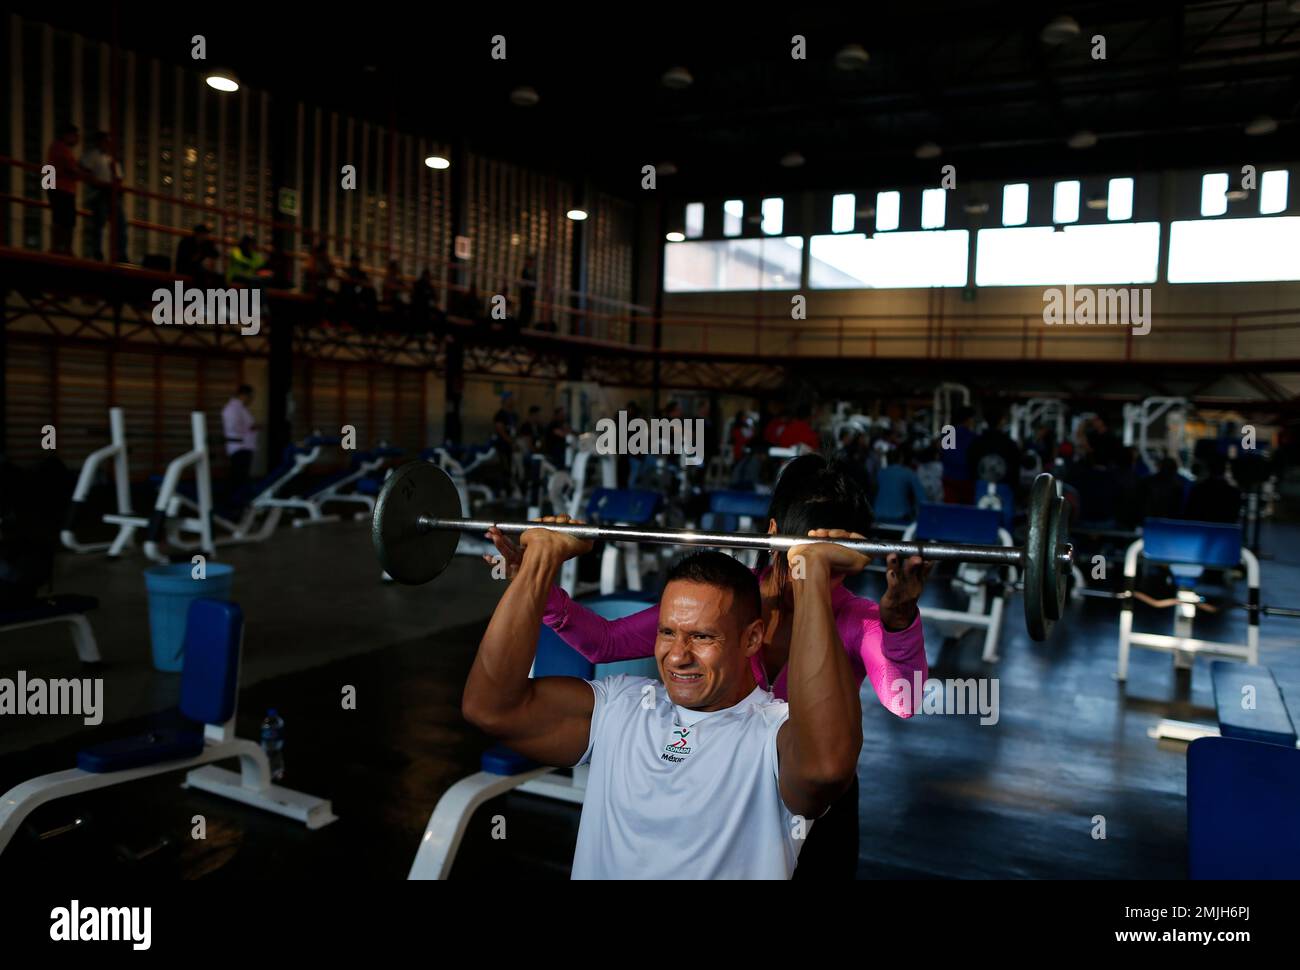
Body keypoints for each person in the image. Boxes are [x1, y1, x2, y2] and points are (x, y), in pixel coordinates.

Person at [484, 453, 931, 879]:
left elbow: (904, 703)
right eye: (807, 556)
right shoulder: (722, 605)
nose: (814, 576)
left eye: (834, 565)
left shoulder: (860, 619)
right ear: (774, 531)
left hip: (815, 791)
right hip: (725, 780)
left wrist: (899, 625)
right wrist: (535, 582)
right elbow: (604, 642)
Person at [463, 542, 866, 879]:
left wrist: (811, 580)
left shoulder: (773, 734)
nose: (677, 656)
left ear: (751, 640)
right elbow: (491, 707)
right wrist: (538, 565)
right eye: (667, 632)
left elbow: (826, 769)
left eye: (702, 636)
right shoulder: (620, 705)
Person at [80, 131, 126, 262]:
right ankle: (97, 252)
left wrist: (116, 186)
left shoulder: (112, 159)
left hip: (111, 194)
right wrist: (97, 183)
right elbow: (85, 171)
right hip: (100, 193)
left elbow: (119, 178)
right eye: (106, 141)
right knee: (99, 224)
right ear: (99, 142)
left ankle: (120, 253)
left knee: (119, 224)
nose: (108, 144)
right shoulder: (93, 156)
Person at [45, 124, 83, 255]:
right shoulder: (61, 148)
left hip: (57, 187)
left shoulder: (57, 147)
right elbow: (70, 168)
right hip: (62, 188)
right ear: (67, 135)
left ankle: (60, 248)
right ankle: (63, 249)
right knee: (65, 220)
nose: (77, 140)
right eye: (75, 136)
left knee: (61, 219)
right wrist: (82, 173)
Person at [221, 385, 258, 508]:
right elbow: (232, 427)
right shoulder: (232, 409)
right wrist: (250, 428)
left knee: (241, 477)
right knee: (238, 477)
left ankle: (238, 501)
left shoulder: (241, 408)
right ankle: (234, 503)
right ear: (243, 395)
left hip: (244, 447)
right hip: (239, 447)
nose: (251, 400)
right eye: (250, 397)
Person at [873, 445, 927, 525]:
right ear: (901, 459)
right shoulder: (909, 473)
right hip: (901, 518)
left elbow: (873, 493)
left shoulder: (880, 473)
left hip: (878, 516)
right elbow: (922, 498)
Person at [1184, 456, 1241, 524]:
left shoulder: (1198, 489)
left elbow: (1189, 515)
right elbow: (1234, 518)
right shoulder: (1234, 493)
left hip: (1199, 531)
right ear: (1224, 470)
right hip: (1223, 532)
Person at [940, 405, 978, 504]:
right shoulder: (973, 437)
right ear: (969, 419)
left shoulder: (948, 433)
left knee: (950, 511)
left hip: (949, 479)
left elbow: (945, 455)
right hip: (967, 480)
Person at [518, 253, 538, 327]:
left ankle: (526, 326)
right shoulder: (524, 271)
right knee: (524, 312)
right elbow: (523, 284)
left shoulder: (533, 272)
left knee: (529, 313)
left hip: (530, 297)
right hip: (525, 297)